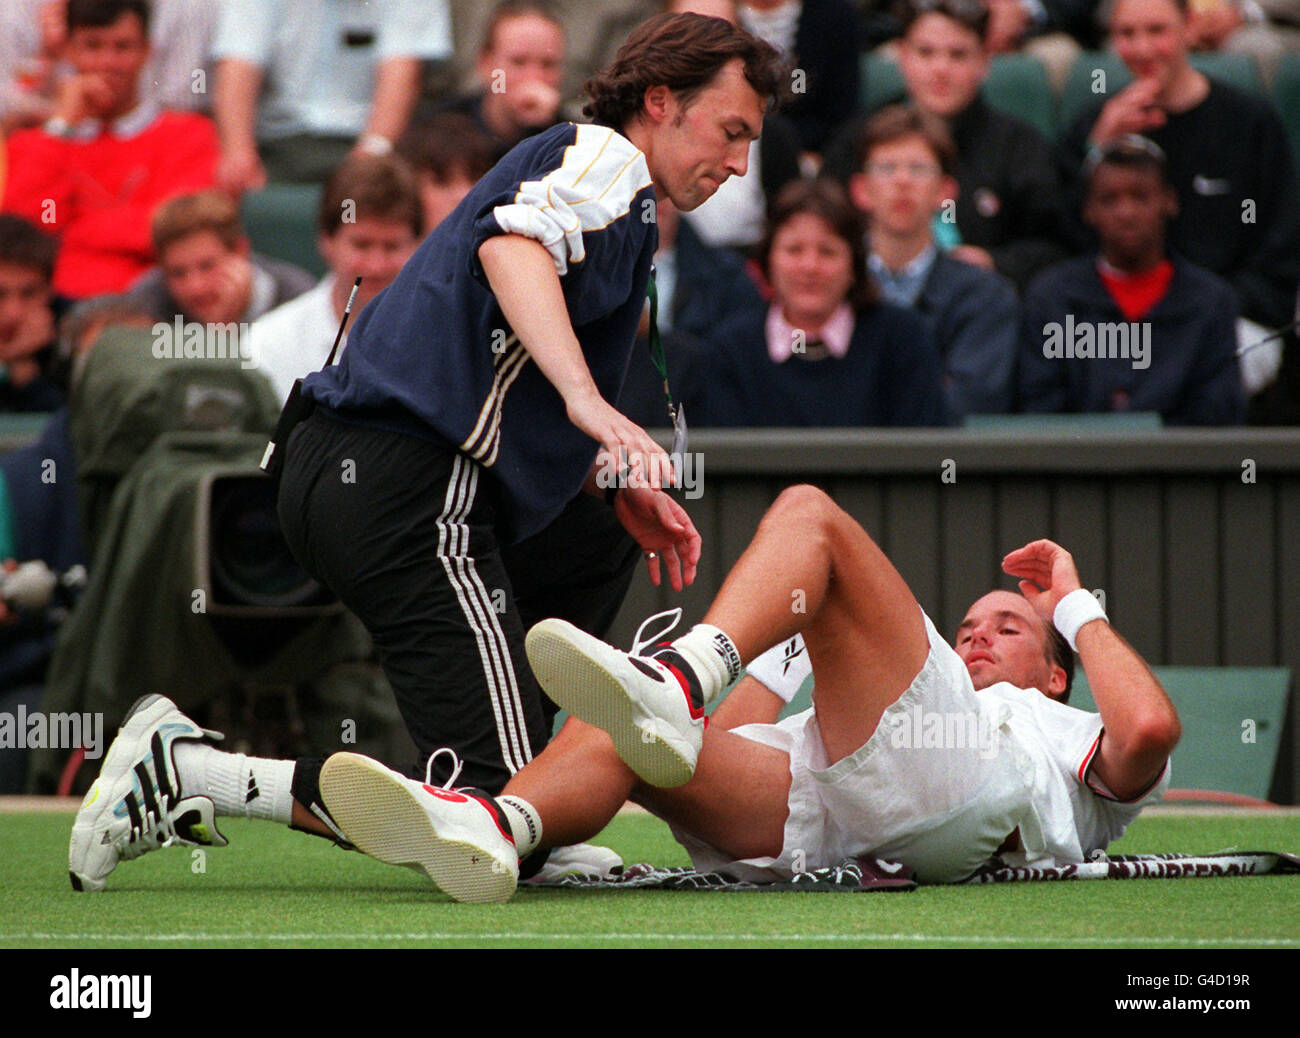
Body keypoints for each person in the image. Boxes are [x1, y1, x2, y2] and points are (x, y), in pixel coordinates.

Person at [68, 12, 784, 891]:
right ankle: (192, 771)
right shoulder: (609, 162)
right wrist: (589, 401)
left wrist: (601, 478)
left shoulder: (609, 190)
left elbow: (502, 348)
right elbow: (511, 248)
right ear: (661, 101)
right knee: (494, 829)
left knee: (595, 538)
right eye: (733, 131)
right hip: (397, 479)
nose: (740, 162)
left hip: (366, 472)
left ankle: (519, 795)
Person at [275, 484, 1175, 902]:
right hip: (834, 819)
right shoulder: (892, 708)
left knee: (810, 514)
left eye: (1007, 629)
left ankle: (678, 668)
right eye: (969, 626)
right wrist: (794, 637)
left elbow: (1150, 728)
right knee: (623, 720)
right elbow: (722, 741)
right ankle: (499, 829)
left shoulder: (1057, 719)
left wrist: (1073, 606)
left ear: (1056, 671)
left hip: (966, 794)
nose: (977, 634)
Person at [1060, 0, 1300, 396]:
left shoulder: (1248, 121)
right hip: (1117, 315)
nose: (1142, 48)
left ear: (1189, 27)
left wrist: (1198, 310)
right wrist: (1097, 152)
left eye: (1157, 31)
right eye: (1127, 34)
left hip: (1231, 316)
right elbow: (1070, 239)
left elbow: (1279, 252)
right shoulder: (1097, 124)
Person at [824, 0, 1070, 290]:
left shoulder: (1021, 146)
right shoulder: (857, 139)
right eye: (925, 52)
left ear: (984, 62)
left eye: (958, 55)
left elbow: (1058, 248)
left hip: (983, 305)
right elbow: (824, 228)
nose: (941, 69)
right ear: (902, 56)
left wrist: (993, 262)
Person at [685, 177, 947, 426]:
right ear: (767, 259)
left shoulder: (903, 339)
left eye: (827, 252)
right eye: (794, 250)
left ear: (853, 264)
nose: (810, 267)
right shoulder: (730, 350)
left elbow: (923, 455)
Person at [0, 0, 219, 298]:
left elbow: (172, 232)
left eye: (122, 47)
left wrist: (70, 230)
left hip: (149, 300)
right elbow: (25, 237)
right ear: (68, 50)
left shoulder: (189, 134)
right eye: (93, 46)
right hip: (53, 304)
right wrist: (61, 125)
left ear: (146, 51)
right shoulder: (38, 141)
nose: (107, 62)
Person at [1018, 136, 1244, 424]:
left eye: (1140, 197)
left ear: (1169, 201)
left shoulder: (1212, 301)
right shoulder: (1051, 298)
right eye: (1109, 200)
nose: (1126, 213)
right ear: (1088, 210)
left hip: (1182, 467)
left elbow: (1217, 416)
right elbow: (1039, 411)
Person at [849, 104, 1018, 421]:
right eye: (886, 168)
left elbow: (973, 400)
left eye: (918, 169)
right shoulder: (835, 286)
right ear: (861, 190)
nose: (902, 181)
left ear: (946, 191)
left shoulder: (985, 295)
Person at [210, 0, 452, 192]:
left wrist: (373, 152)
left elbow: (403, 74)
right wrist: (238, 152)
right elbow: (237, 66)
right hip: (275, 143)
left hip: (368, 145)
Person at [244, 155, 421, 403]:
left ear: (418, 247)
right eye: (361, 245)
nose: (376, 266)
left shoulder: (446, 342)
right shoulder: (270, 342)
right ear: (327, 241)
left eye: (392, 247)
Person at [123, 189, 315, 329]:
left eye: (207, 266)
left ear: (241, 251)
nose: (195, 287)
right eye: (178, 273)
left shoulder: (297, 298)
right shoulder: (146, 304)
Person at [435, 2, 569, 163]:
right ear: (486, 64)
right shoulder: (441, 132)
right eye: (518, 62)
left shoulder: (574, 143)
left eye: (548, 64)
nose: (533, 77)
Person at [0, 214, 64, 412]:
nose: (13, 313)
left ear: (50, 291)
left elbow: (77, 425)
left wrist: (23, 368)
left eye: (29, 294)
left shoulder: (74, 328)